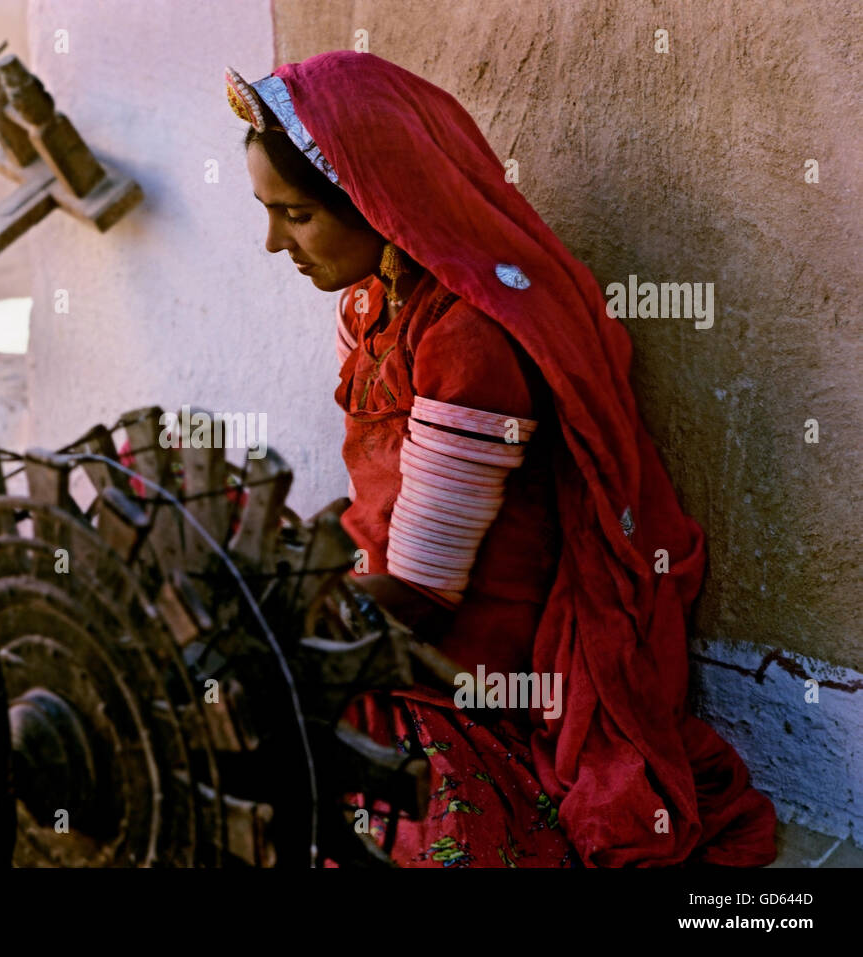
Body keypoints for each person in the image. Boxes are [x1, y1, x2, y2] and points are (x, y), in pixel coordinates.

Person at [226, 52, 777, 867]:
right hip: (388, 601)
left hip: (455, 659)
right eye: (268, 212)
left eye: (297, 215)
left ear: (378, 204)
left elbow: (419, 594)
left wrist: (265, 636)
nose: (274, 243)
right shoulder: (374, 301)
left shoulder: (466, 342)